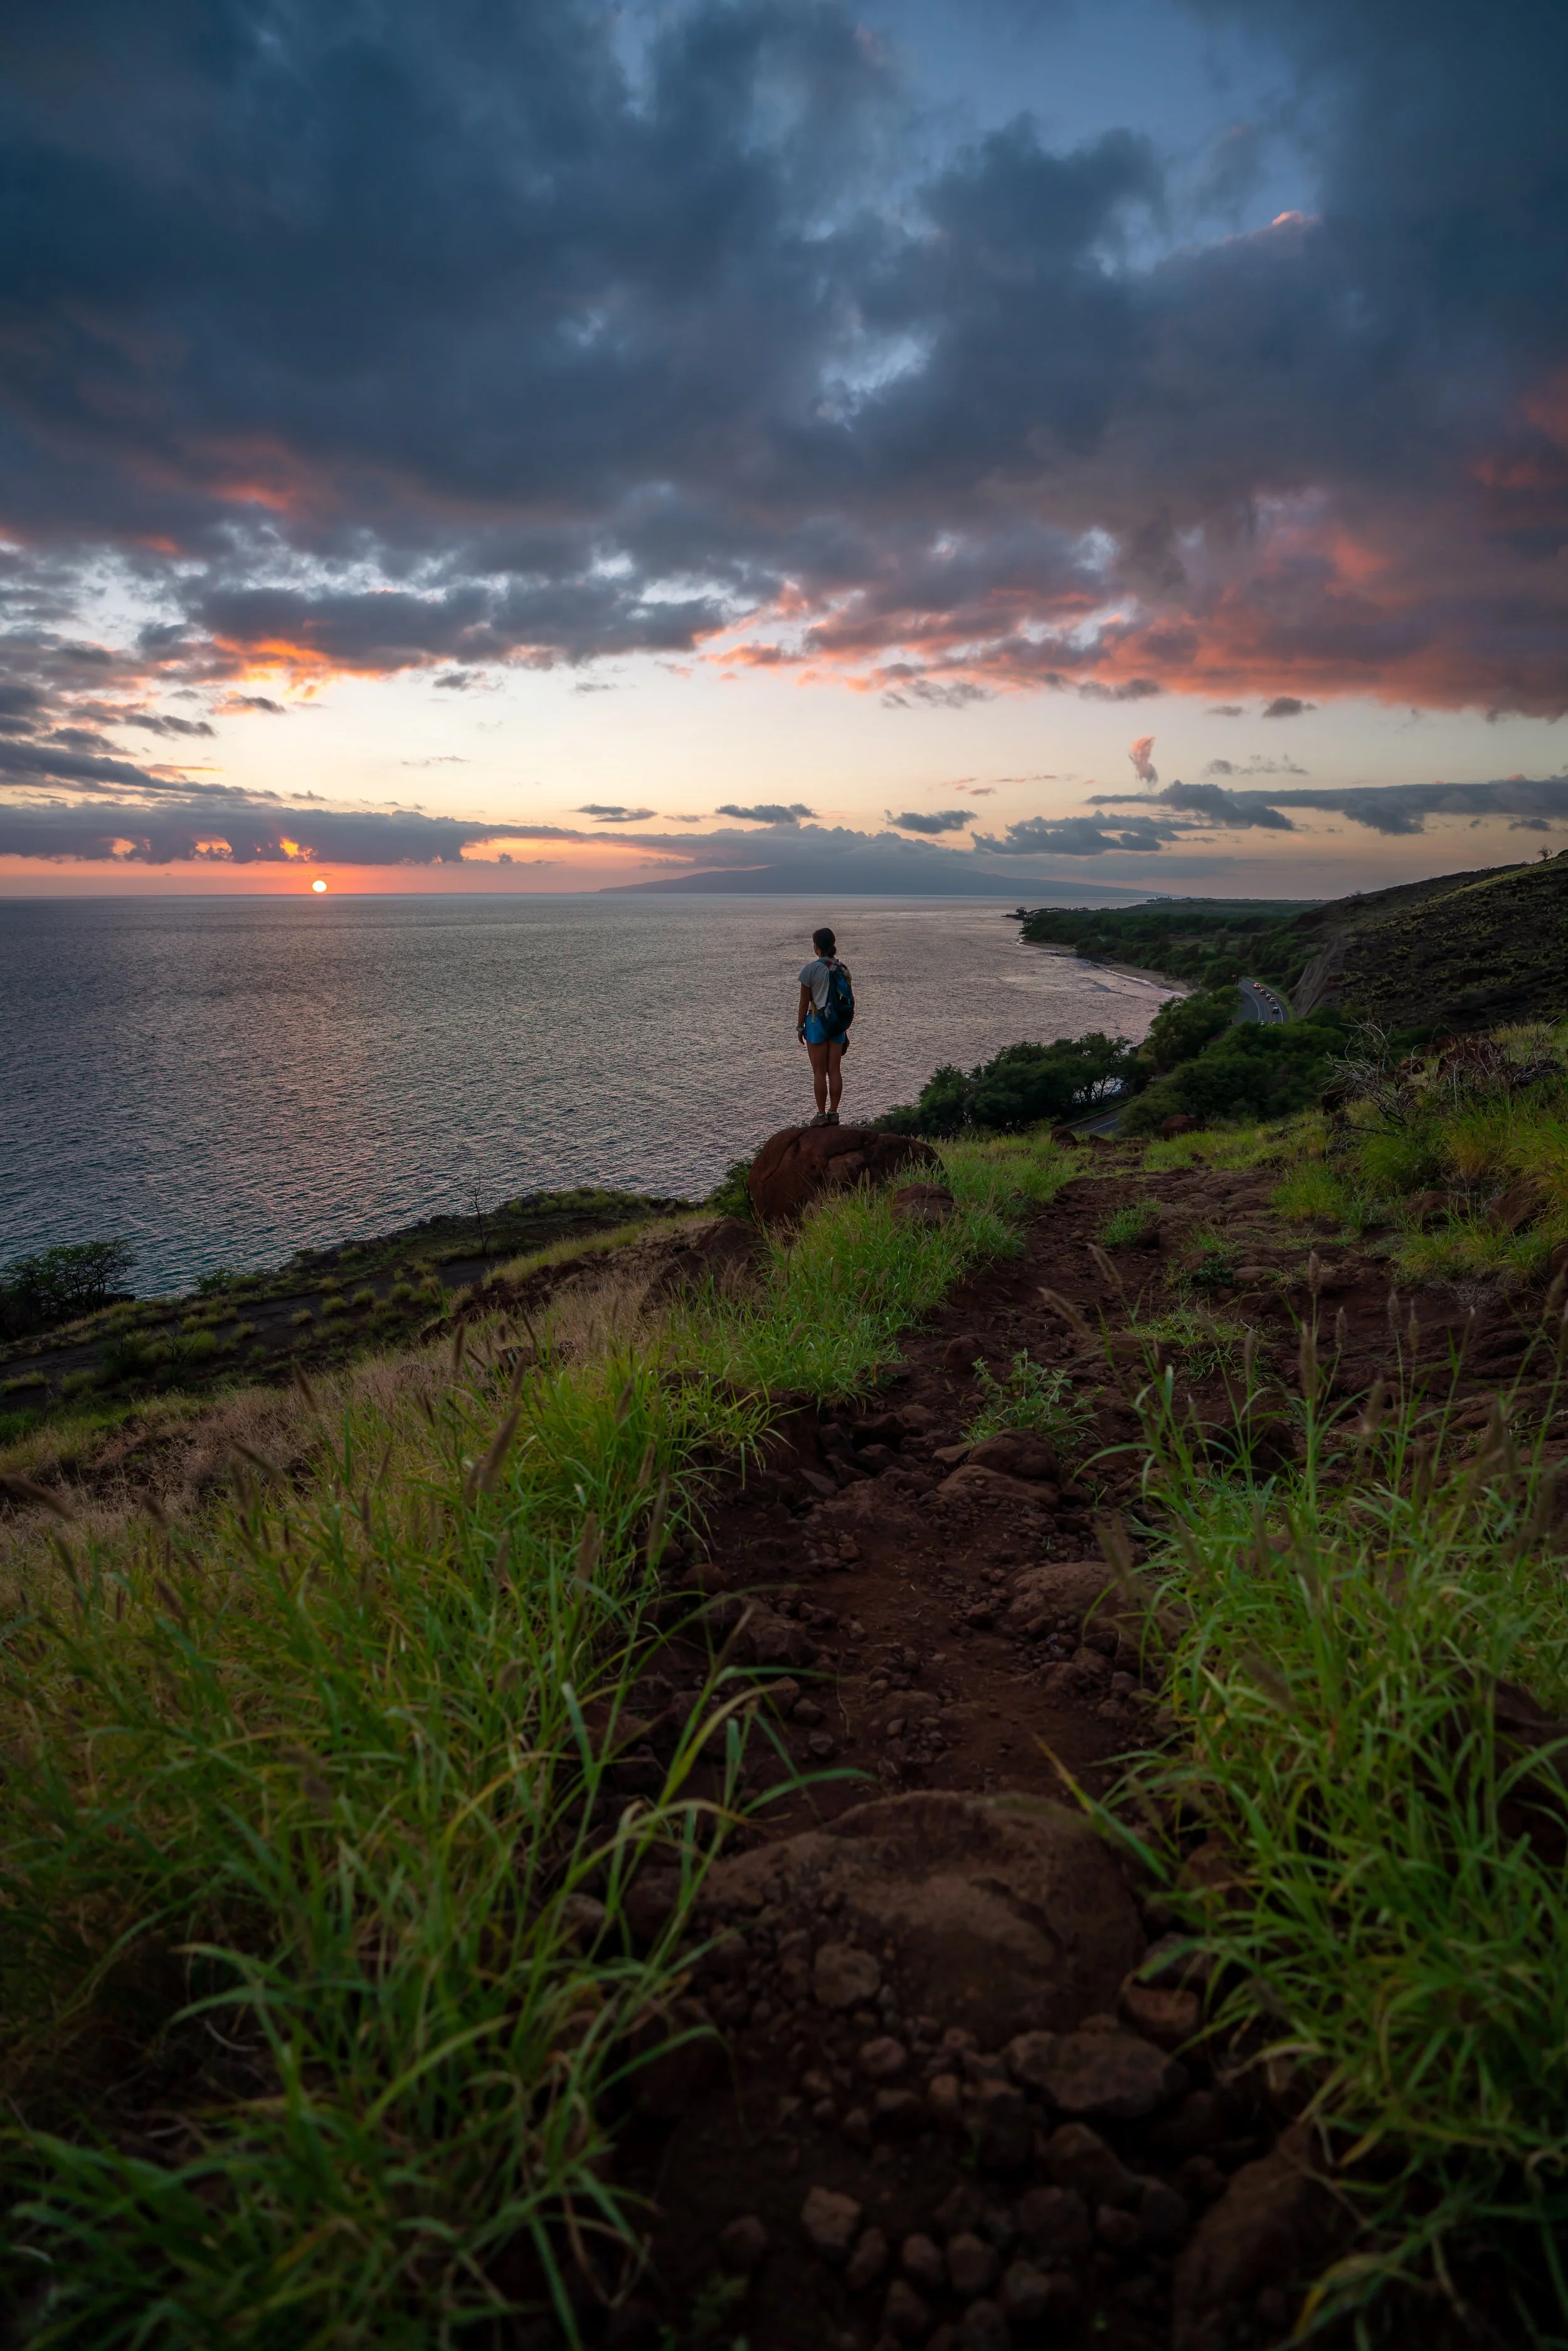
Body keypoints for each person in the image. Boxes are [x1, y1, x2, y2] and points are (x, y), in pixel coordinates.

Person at [797, 925, 852, 1125]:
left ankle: (821, 1116)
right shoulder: (843, 969)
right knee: (835, 1070)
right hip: (838, 1025)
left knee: (819, 1072)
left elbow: (804, 1003)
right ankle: (834, 1113)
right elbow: (845, 1003)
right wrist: (845, 1030)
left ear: (817, 947)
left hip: (816, 1023)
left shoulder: (810, 970)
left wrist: (799, 1028)